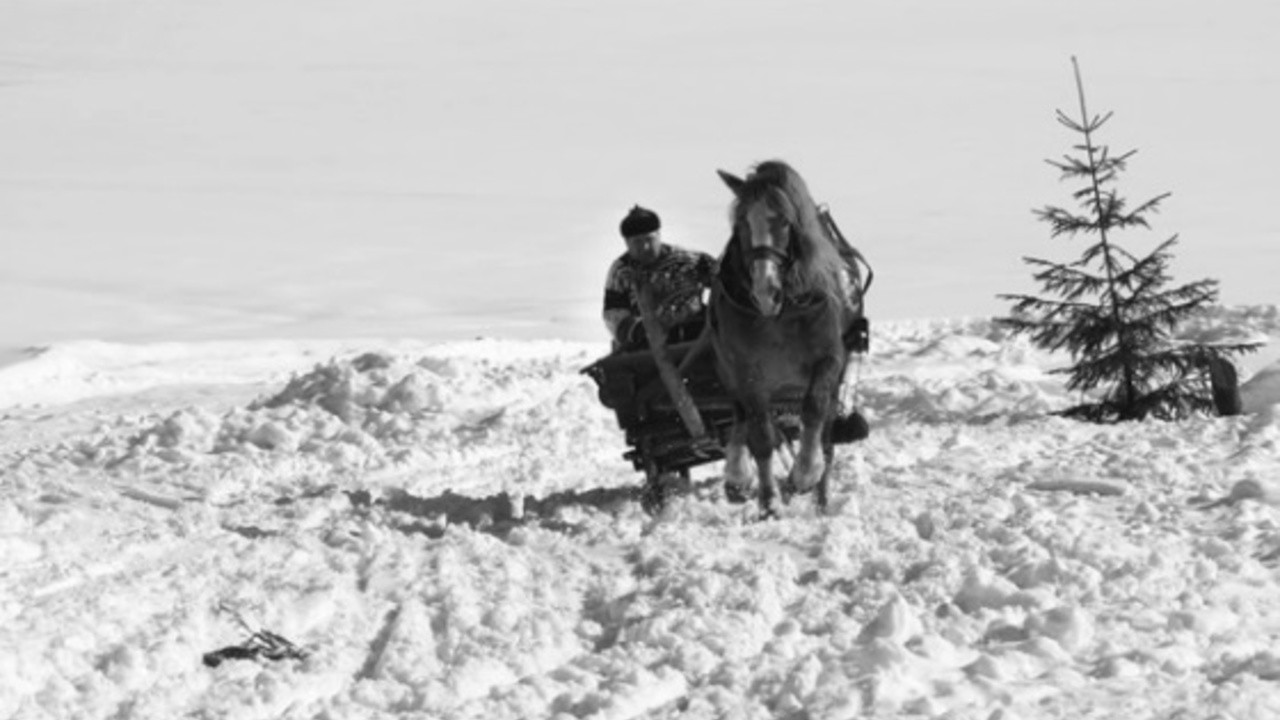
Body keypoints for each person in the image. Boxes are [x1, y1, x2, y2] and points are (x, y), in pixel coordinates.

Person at [602, 205, 716, 352]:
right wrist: (641, 330)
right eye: (637, 242)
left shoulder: (691, 260)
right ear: (626, 243)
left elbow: (725, 284)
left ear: (659, 235)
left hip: (698, 332)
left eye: (649, 239)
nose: (645, 246)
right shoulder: (620, 271)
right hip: (645, 342)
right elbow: (613, 313)